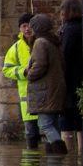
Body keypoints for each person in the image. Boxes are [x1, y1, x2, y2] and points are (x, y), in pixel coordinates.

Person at [26, 12, 70, 153]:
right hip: (55, 88)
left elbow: (39, 65)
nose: (29, 30)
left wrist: (29, 74)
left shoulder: (40, 42)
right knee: (53, 123)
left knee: (44, 124)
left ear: (37, 28)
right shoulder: (53, 41)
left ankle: (59, 150)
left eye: (31, 27)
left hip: (46, 91)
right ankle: (55, 161)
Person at [2, 12, 40, 146]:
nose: (27, 29)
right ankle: (31, 164)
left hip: (44, 96)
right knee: (31, 134)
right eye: (24, 26)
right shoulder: (16, 48)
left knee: (48, 131)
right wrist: (22, 72)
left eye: (29, 25)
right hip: (27, 99)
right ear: (20, 29)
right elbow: (7, 69)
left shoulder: (42, 43)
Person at [60, 0, 83, 150]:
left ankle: (69, 160)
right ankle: (81, 157)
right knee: (80, 121)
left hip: (71, 81)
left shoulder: (69, 30)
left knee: (67, 122)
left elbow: (65, 57)